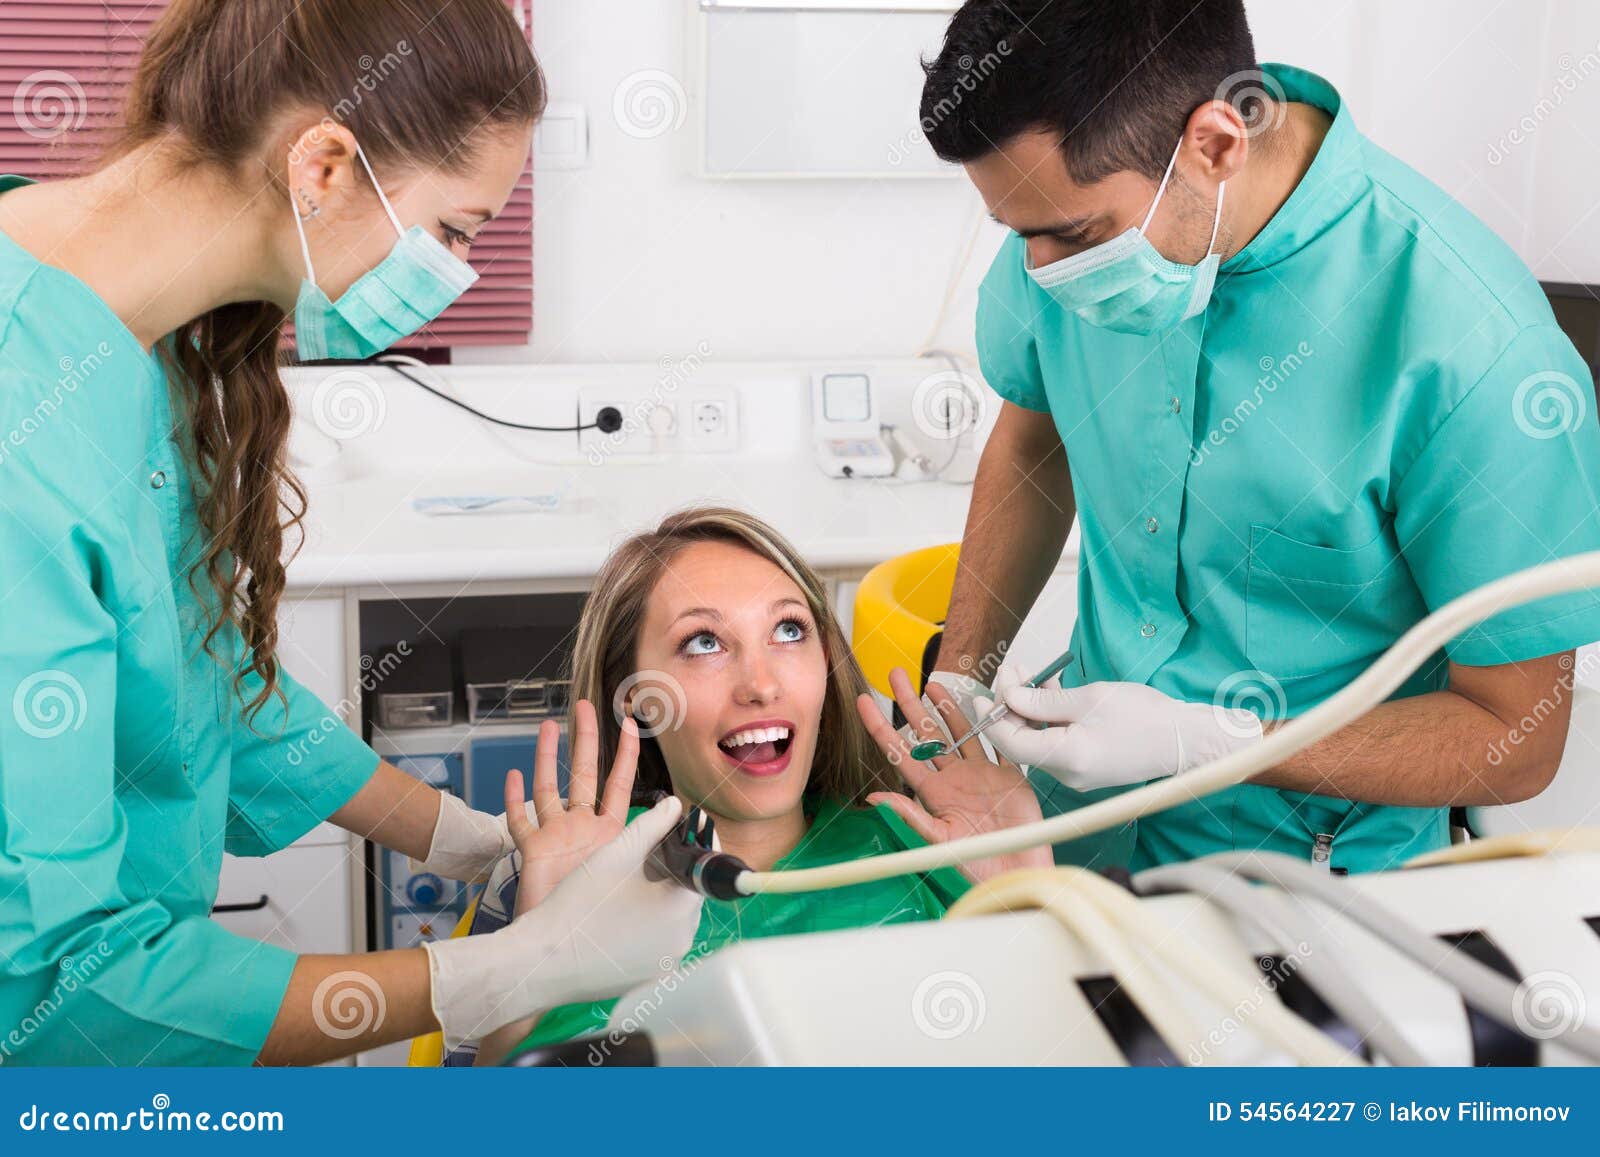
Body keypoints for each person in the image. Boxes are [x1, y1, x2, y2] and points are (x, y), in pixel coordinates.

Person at [0, 0, 700, 1066]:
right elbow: (57, 990)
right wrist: (512, 969)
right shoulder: (22, 427)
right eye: (455, 230)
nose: (456, 272)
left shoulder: (139, 337)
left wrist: (463, 840)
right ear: (323, 166)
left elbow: (198, 680)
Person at [919, 0, 1600, 874]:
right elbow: (1033, 437)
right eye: (1019, 237)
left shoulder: (1476, 352)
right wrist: (963, 676)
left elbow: (1516, 737)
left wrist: (1209, 741)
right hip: (1073, 830)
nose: (1041, 275)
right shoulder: (1068, 231)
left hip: (1299, 890)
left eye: (1073, 236)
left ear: (1213, 145)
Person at [459, 507, 1049, 1065]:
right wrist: (529, 975)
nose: (761, 685)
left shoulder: (926, 850)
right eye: (704, 643)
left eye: (789, 630)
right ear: (638, 698)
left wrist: (1028, 902)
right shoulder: (595, 883)